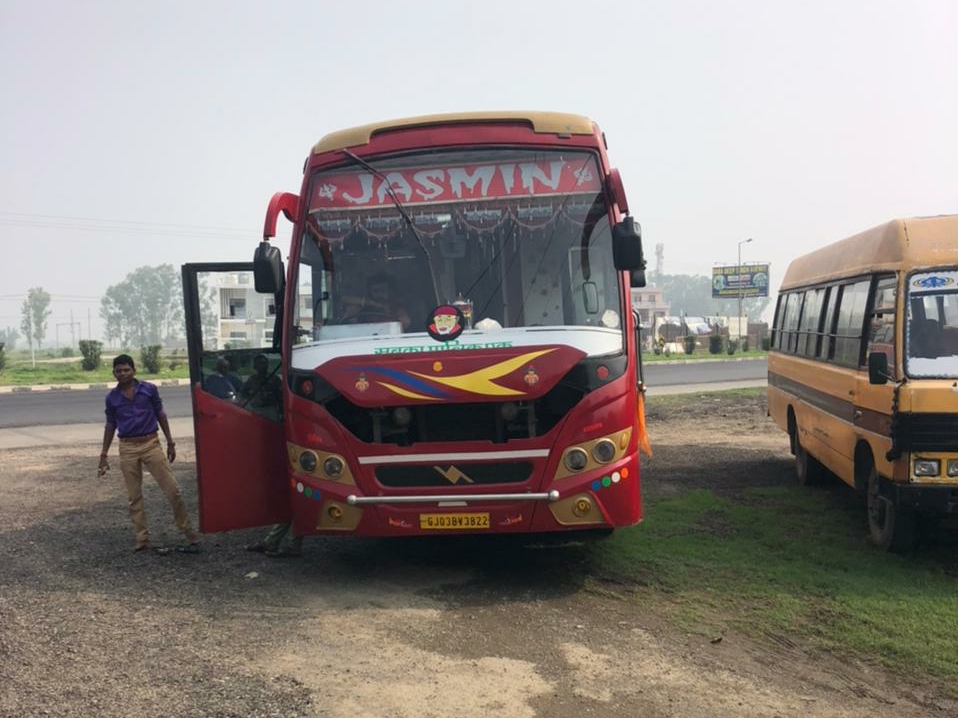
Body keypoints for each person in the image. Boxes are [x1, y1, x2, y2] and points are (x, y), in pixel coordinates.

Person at [98, 354, 200, 553]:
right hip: (127, 447)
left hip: (151, 444)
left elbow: (160, 414)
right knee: (134, 496)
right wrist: (104, 454)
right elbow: (110, 425)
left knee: (173, 490)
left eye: (126, 370)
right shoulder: (112, 398)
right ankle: (142, 538)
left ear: (134, 370)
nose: (122, 374)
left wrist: (170, 442)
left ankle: (188, 531)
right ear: (114, 373)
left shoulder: (149, 389)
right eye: (118, 371)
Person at [344, 273, 411, 330]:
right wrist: (373, 304)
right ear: (370, 292)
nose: (379, 294)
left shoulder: (396, 307)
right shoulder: (361, 307)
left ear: (389, 292)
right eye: (375, 291)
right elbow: (342, 298)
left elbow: (405, 321)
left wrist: (403, 319)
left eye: (383, 290)